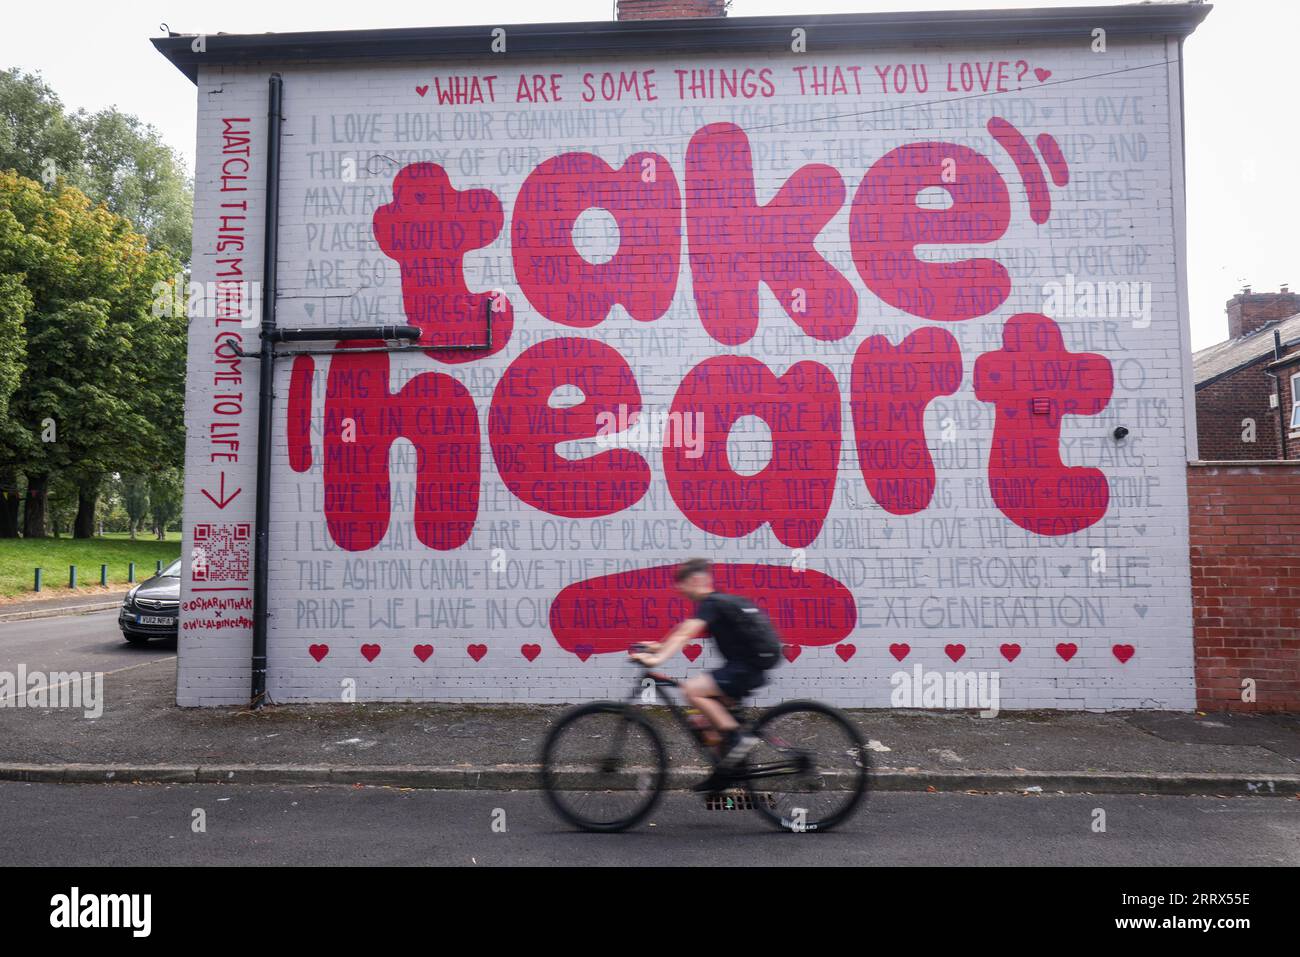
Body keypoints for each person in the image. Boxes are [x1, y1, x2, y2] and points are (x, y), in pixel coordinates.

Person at [629, 557, 782, 790]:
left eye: (682, 582)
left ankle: (737, 740)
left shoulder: (711, 603)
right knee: (706, 722)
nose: (678, 588)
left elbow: (685, 634)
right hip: (749, 666)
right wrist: (656, 647)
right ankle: (724, 773)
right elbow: (684, 630)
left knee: (692, 691)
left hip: (744, 668)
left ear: (696, 579)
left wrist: (657, 660)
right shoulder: (719, 602)